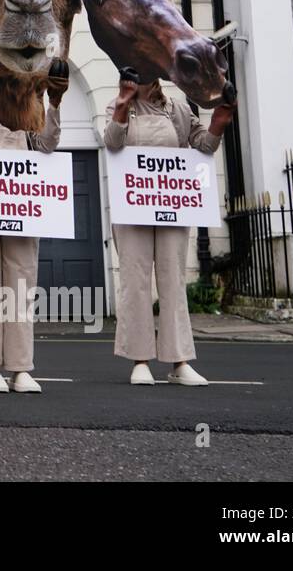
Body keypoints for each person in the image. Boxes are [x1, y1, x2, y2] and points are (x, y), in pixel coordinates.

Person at [104, 68, 234, 387]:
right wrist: (122, 104)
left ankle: (180, 361)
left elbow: (203, 146)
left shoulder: (178, 109)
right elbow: (112, 142)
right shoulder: (116, 105)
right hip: (132, 205)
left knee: (173, 279)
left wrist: (219, 120)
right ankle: (140, 360)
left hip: (172, 204)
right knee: (135, 280)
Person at [0, 70, 66, 395]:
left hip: (21, 207)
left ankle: (20, 367)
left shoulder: (29, 105)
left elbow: (47, 144)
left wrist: (53, 104)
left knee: (21, 285)